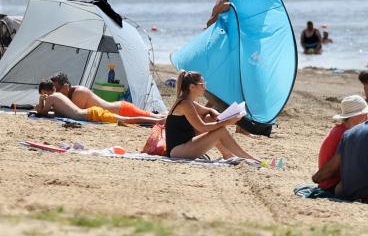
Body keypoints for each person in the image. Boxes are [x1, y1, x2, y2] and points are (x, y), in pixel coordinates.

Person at [165, 72, 257, 160]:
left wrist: (218, 116)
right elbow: (202, 127)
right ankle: (250, 159)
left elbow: (208, 110)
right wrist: (227, 122)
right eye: (202, 84)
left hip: (183, 145)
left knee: (209, 118)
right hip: (178, 151)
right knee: (220, 131)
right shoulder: (185, 104)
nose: (205, 87)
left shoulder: (188, 102)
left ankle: (227, 155)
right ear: (192, 87)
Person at [317, 95, 368, 192]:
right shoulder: (347, 134)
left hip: (328, 182)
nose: (366, 118)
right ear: (354, 116)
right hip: (333, 185)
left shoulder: (340, 130)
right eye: (364, 114)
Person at [36, 82, 164, 125]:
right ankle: (159, 119)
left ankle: (158, 121)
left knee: (126, 120)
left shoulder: (52, 97)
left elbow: (42, 113)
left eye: (43, 93)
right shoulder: (58, 96)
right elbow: (55, 112)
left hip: (92, 114)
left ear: (46, 91)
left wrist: (41, 101)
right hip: (92, 113)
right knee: (126, 119)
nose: (43, 96)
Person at [49, 72, 153, 118]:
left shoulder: (78, 93)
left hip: (122, 110)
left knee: (152, 116)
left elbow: (73, 113)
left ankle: (167, 116)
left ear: (66, 87)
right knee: (150, 116)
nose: (55, 93)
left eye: (57, 89)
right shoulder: (71, 93)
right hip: (119, 109)